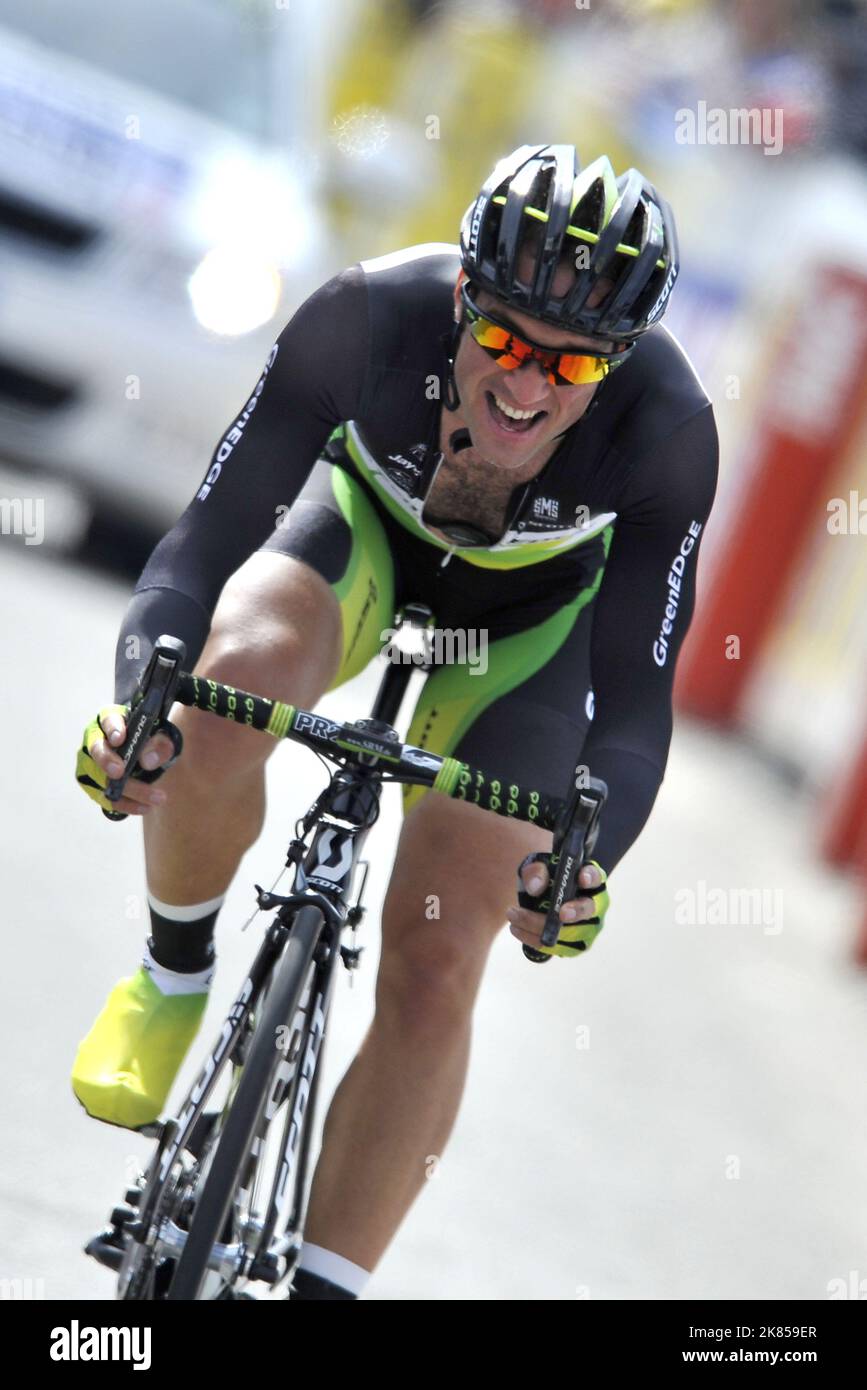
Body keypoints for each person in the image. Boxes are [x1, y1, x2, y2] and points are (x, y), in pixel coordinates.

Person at [73, 144, 718, 1300]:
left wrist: (586, 863)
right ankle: (174, 973)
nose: (529, 386)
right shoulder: (364, 319)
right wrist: (138, 711)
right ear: (465, 300)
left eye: (573, 365)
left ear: (617, 362)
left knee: (438, 958)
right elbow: (202, 543)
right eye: (511, 341)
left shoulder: (668, 430)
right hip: (358, 535)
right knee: (235, 677)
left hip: (526, 627)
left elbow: (632, 704)